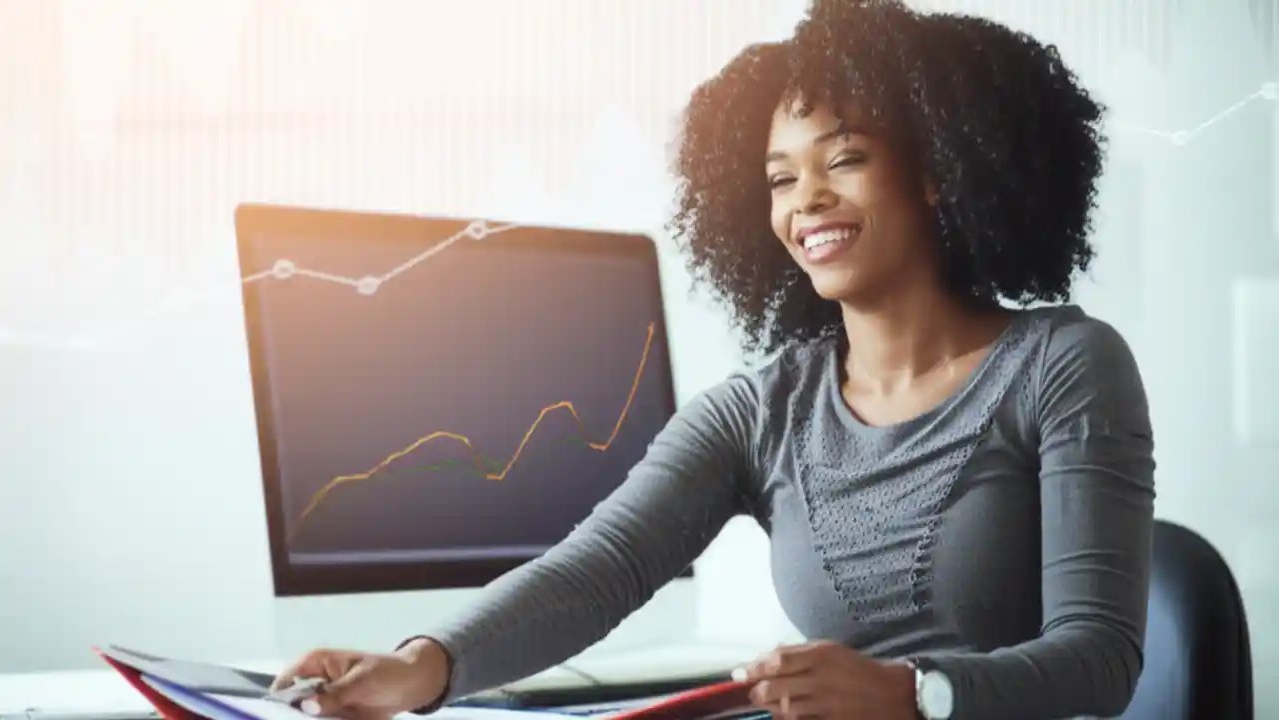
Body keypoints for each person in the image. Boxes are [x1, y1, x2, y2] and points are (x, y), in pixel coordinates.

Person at [271, 1, 1156, 718]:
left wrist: (911, 695)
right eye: (779, 178)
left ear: (937, 172)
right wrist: (424, 666)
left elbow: (1101, 659)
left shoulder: (1062, 366)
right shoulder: (764, 410)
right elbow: (599, 567)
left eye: (844, 159)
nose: (807, 198)